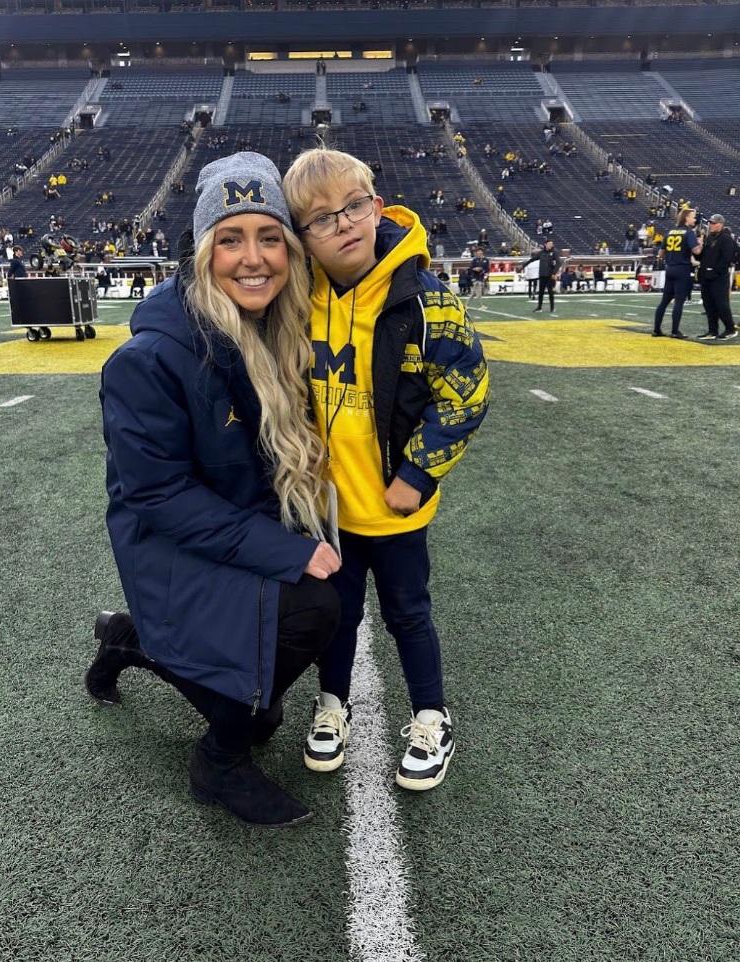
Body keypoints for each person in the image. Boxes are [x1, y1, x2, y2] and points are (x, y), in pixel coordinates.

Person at [85, 153, 342, 829]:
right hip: (164, 542)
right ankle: (218, 763)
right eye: (230, 239)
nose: (253, 258)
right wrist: (284, 553)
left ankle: (129, 640)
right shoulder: (150, 359)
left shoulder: (269, 326)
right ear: (202, 252)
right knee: (313, 605)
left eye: (269, 238)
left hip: (220, 524)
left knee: (262, 691)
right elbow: (161, 498)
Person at [281, 147, 490, 791]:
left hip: (395, 506)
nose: (341, 223)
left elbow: (467, 392)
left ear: (377, 206)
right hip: (327, 509)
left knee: (408, 613)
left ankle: (432, 714)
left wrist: (418, 474)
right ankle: (333, 704)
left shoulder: (425, 298)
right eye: (320, 218)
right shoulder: (294, 302)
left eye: (352, 206)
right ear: (301, 236)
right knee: (334, 616)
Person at [652, 208, 702, 339]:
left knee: (664, 301)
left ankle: (656, 329)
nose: (695, 219)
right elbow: (696, 251)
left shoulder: (670, 232)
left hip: (670, 269)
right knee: (679, 301)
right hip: (682, 269)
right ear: (686, 218)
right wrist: (701, 243)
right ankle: (675, 331)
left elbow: (661, 254)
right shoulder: (689, 232)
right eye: (693, 217)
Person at [696, 214, 737, 341]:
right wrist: (699, 248)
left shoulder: (726, 238)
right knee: (709, 305)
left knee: (721, 304)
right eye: (710, 223)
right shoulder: (709, 237)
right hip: (706, 276)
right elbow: (701, 257)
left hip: (719, 277)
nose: (711, 225)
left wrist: (716, 270)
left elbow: (729, 257)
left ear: (721, 224)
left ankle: (730, 329)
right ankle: (712, 330)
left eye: (714, 223)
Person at [525, 238, 561, 313]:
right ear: (545, 244)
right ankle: (539, 307)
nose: (551, 245)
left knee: (550, 292)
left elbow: (558, 263)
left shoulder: (554, 252)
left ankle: (552, 307)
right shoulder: (542, 252)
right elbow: (533, 259)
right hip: (542, 275)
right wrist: (524, 265)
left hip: (549, 275)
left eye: (551, 244)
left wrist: (554, 273)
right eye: (549, 244)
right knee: (541, 292)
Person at [467, 246, 490, 310]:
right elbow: (471, 268)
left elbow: (487, 269)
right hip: (475, 277)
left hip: (481, 277)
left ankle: (465, 305)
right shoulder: (474, 260)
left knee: (473, 293)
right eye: (478, 251)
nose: (479, 252)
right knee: (479, 292)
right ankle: (481, 305)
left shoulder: (486, 260)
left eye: (480, 251)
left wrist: (483, 272)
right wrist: (475, 269)